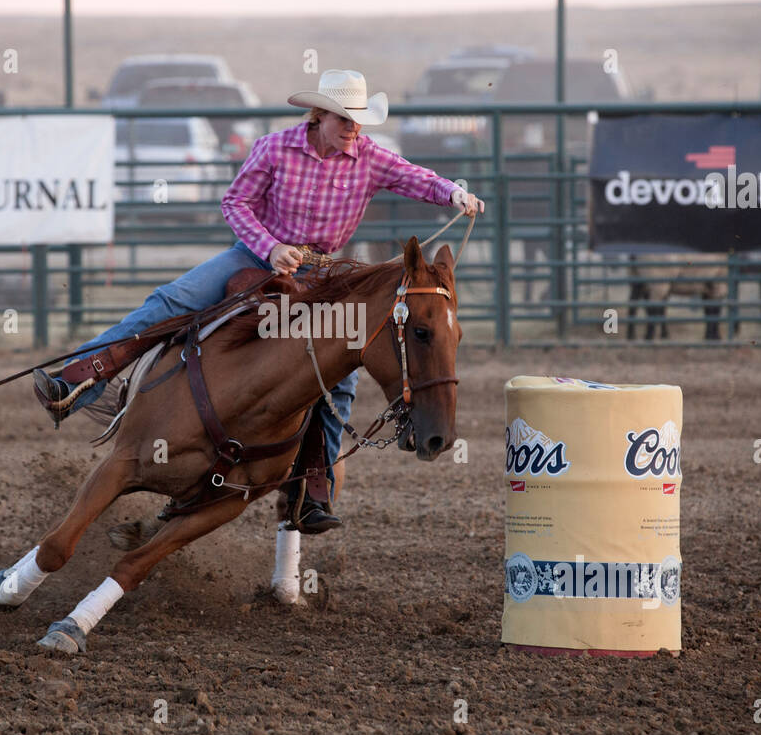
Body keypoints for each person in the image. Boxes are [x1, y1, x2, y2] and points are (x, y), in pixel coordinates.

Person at [34, 69, 484, 531]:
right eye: (345, 119)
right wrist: (271, 247)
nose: (353, 128)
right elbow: (235, 203)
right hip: (254, 255)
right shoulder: (274, 148)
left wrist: (452, 192)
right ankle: (79, 376)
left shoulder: (368, 158)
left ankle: (313, 489)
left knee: (341, 375)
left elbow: (416, 178)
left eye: (358, 120)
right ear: (320, 115)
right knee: (174, 300)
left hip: (323, 274)